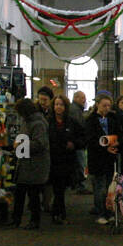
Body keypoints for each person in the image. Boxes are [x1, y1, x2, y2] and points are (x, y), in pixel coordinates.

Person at [11, 98, 50, 230]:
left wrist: (21, 144)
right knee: (20, 193)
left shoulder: (38, 123)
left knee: (33, 195)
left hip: (35, 165)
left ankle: (34, 221)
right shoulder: (27, 121)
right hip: (26, 163)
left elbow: (40, 144)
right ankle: (16, 219)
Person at [84, 93, 122, 224]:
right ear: (97, 105)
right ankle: (100, 213)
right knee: (100, 188)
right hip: (97, 158)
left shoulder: (113, 119)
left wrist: (116, 143)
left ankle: (109, 211)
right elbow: (90, 140)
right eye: (104, 105)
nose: (106, 108)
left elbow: (120, 133)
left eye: (108, 106)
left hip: (110, 159)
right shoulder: (90, 120)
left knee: (109, 187)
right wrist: (105, 147)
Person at [47, 95, 83, 225]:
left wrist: (74, 144)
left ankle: (59, 214)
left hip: (67, 161)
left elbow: (82, 138)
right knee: (58, 189)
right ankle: (59, 214)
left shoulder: (72, 122)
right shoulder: (48, 121)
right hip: (52, 160)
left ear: (65, 107)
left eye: (61, 104)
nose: (58, 107)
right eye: (56, 104)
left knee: (61, 189)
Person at [69, 90, 89, 193]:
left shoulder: (76, 109)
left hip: (78, 142)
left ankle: (77, 185)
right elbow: (80, 125)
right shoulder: (75, 110)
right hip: (78, 143)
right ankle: (80, 186)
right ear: (75, 98)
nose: (84, 100)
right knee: (80, 164)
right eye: (82, 98)